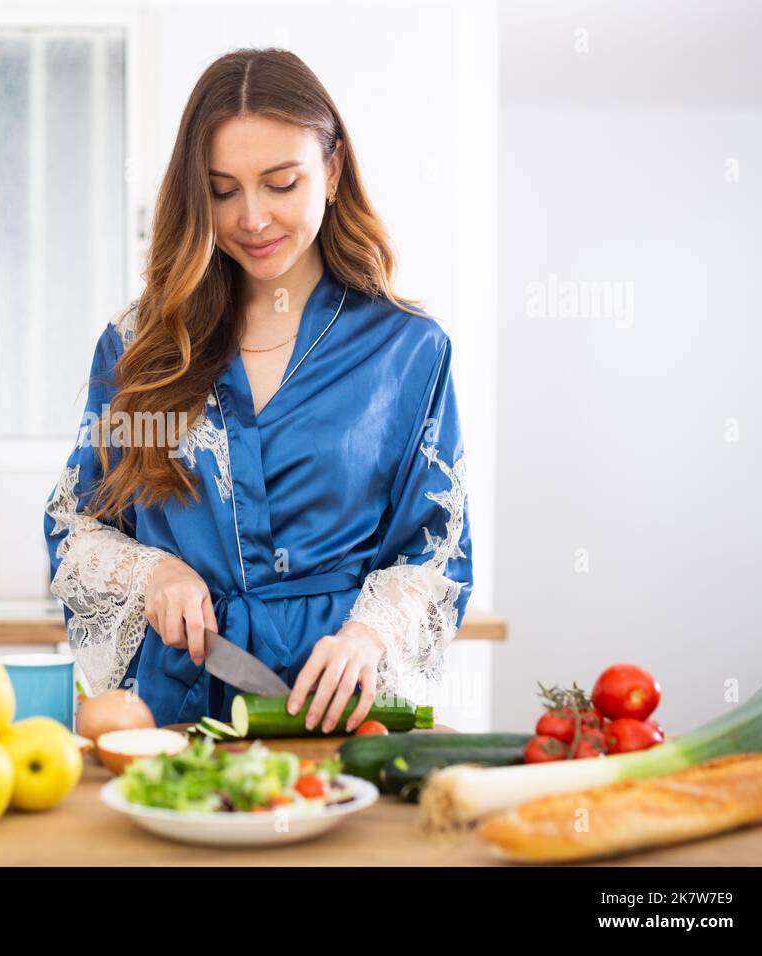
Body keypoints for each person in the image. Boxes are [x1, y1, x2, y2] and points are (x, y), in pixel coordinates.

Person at [43, 48, 472, 733]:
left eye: (280, 183)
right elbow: (75, 525)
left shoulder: (409, 350)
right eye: (222, 189)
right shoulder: (137, 346)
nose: (251, 218)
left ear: (331, 172)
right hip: (174, 708)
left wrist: (368, 637)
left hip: (339, 710)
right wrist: (152, 573)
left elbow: (435, 548)